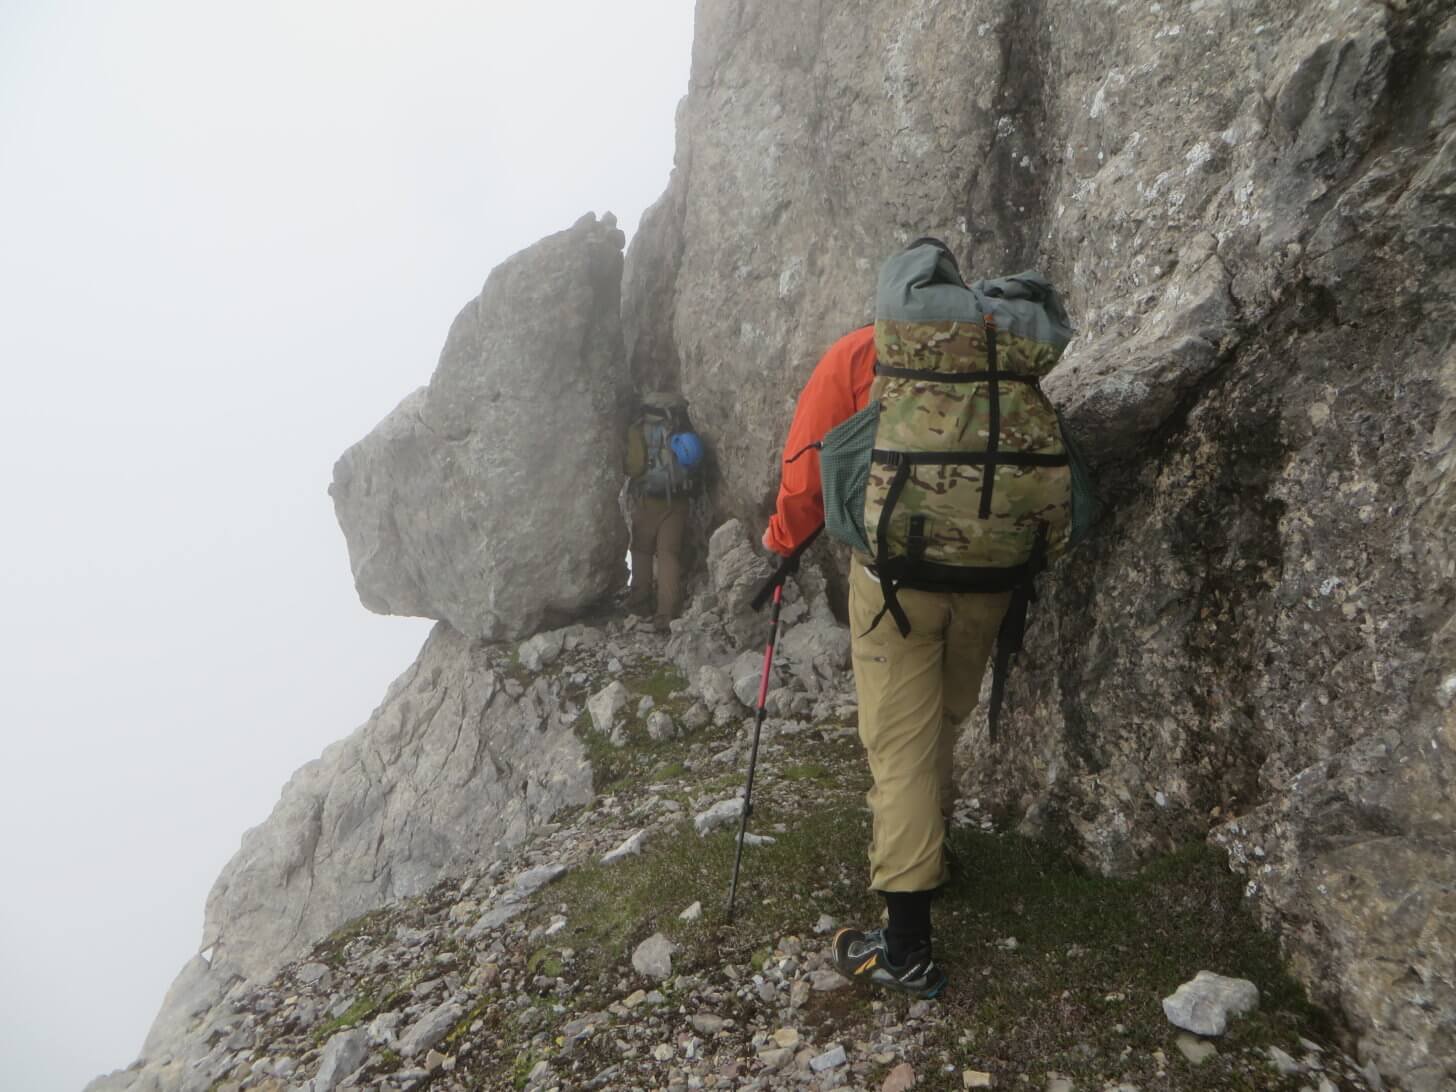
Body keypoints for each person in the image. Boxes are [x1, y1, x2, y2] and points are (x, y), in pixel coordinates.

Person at [762, 238, 1073, 999]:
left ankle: (905, 946)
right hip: (996, 576)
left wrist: (781, 545)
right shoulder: (1004, 357)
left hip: (897, 583)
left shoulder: (864, 354)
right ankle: (930, 848)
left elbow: (806, 468)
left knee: (897, 746)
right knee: (941, 721)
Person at [624, 392, 704, 629]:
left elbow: (635, 467)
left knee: (641, 549)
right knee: (669, 554)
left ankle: (640, 602)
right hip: (678, 499)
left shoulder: (638, 429)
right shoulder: (681, 426)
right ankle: (666, 614)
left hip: (649, 500)